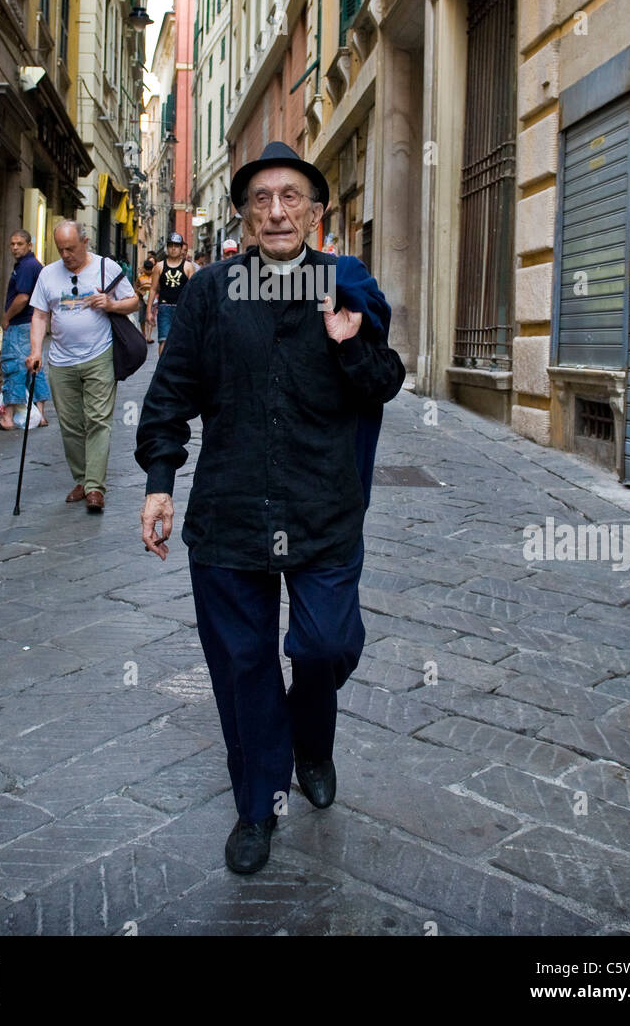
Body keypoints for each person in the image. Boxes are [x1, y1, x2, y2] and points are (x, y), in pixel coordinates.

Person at [135, 140, 405, 875]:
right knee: (242, 663)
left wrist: (351, 345)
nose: (277, 210)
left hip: (324, 508)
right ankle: (257, 806)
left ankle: (311, 739)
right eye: (261, 199)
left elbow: (385, 382)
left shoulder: (346, 283)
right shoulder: (210, 293)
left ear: (316, 212)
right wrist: (160, 479)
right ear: (245, 215)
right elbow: (171, 394)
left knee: (323, 646)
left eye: (292, 198)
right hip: (229, 513)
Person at [26, 220, 140, 513]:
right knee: (70, 424)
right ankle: (80, 479)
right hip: (61, 361)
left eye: (71, 249)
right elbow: (39, 316)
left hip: (99, 355)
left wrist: (111, 305)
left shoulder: (107, 267)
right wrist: (36, 350)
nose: (66, 255)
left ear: (85, 242)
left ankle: (94, 487)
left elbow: (134, 301)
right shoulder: (48, 275)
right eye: (61, 249)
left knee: (98, 421)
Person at [0, 229, 50, 431]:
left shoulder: (26, 266)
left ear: (29, 246)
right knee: (35, 368)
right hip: (32, 324)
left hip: (20, 324)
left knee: (13, 366)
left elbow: (23, 297)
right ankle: (40, 414)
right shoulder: (34, 266)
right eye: (12, 244)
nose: (15, 247)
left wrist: (7, 317)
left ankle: (6, 417)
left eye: (19, 244)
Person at [144, 232, 196, 353]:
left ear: (181, 248)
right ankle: (163, 369)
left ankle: (178, 369)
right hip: (164, 307)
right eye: (171, 245)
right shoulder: (159, 267)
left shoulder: (188, 267)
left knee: (181, 342)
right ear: (167, 247)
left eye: (176, 246)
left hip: (182, 309)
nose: (173, 248)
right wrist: (148, 311)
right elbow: (153, 289)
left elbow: (193, 291)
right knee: (164, 340)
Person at [137, 258, 156, 342]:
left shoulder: (155, 277)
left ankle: (149, 336)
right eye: (147, 269)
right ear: (144, 268)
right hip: (142, 300)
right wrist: (141, 292)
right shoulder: (140, 278)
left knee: (150, 317)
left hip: (151, 300)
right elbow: (136, 288)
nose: (149, 271)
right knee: (142, 318)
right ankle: (143, 334)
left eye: (150, 269)